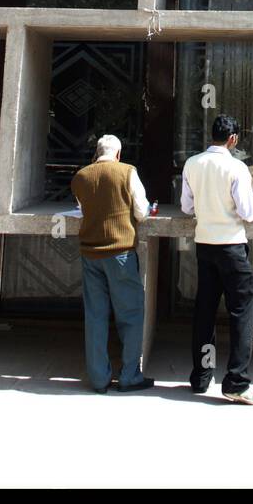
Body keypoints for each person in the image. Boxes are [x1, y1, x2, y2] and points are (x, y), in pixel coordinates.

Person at [181, 114, 253, 404]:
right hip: (231, 246)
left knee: (205, 310)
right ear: (233, 139)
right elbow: (247, 212)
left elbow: (186, 205)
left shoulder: (192, 163)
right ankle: (236, 382)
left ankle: (201, 377)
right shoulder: (237, 167)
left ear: (211, 136)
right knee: (241, 312)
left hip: (204, 244)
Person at [71, 134, 154, 394]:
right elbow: (141, 211)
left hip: (90, 253)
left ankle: (98, 379)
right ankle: (129, 375)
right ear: (118, 154)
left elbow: (82, 208)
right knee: (130, 314)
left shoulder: (81, 176)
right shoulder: (127, 172)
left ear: (97, 153)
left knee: (95, 316)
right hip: (120, 253)